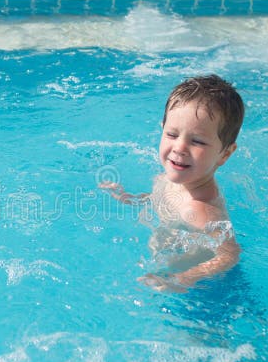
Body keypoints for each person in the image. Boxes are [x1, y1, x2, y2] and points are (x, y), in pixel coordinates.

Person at [100, 74, 244, 292]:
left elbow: (229, 254)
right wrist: (131, 198)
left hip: (202, 290)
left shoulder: (201, 210)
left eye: (196, 141)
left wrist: (185, 278)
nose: (180, 148)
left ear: (224, 154)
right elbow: (160, 199)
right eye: (172, 134)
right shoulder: (169, 177)